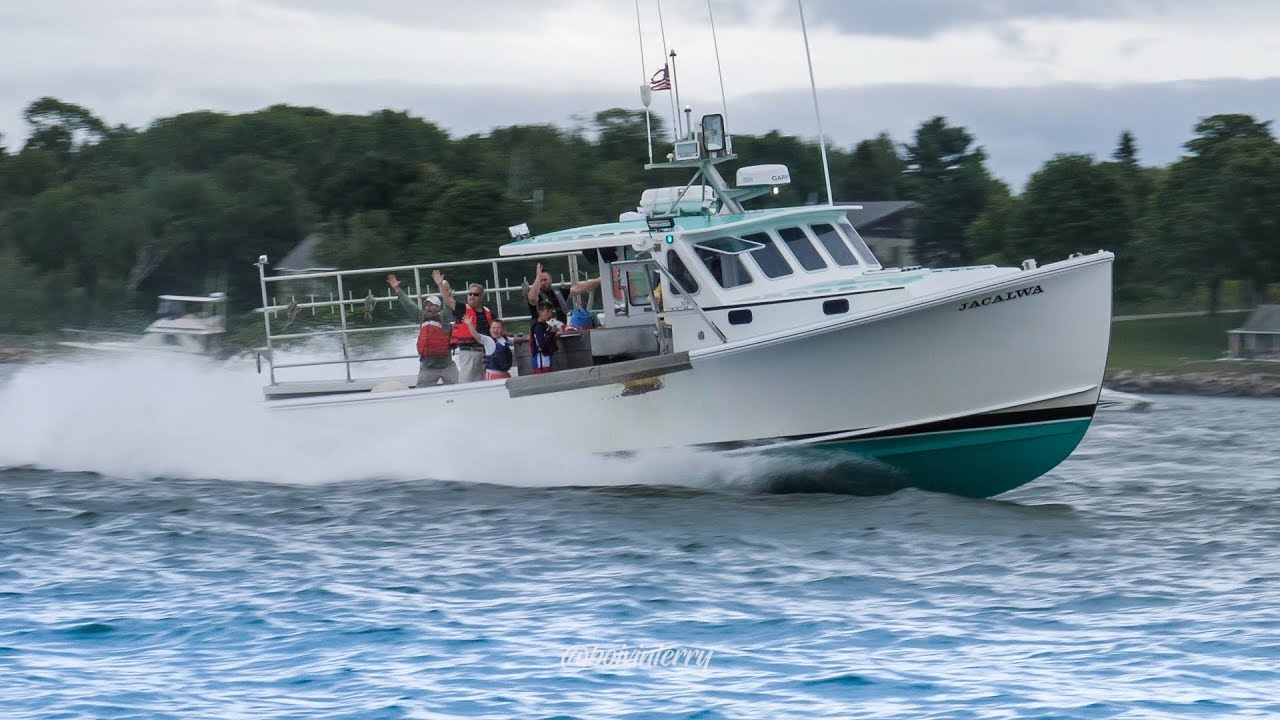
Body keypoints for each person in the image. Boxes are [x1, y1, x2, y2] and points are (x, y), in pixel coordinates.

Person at [387, 273, 457, 387]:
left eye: (432, 305)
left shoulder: (444, 317)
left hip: (447, 366)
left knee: (459, 389)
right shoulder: (422, 317)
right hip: (427, 367)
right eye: (427, 305)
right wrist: (397, 289)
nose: (428, 307)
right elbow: (409, 305)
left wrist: (442, 286)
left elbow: (448, 303)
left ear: (438, 308)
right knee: (421, 391)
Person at [437, 271, 493, 383]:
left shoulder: (488, 312)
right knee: (466, 383)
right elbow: (447, 300)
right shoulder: (462, 308)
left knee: (485, 384)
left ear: (482, 296)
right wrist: (440, 285)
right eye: (470, 294)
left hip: (486, 353)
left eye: (475, 294)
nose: (472, 296)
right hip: (469, 353)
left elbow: (497, 329)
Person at [462, 315, 515, 381]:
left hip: (506, 374)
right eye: (493, 327)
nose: (496, 329)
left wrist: (527, 338)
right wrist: (469, 324)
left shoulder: (505, 339)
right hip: (493, 375)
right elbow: (476, 335)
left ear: (502, 330)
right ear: (490, 330)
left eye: (498, 327)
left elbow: (515, 340)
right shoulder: (488, 340)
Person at [529, 300, 560, 374]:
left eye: (551, 312)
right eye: (547, 312)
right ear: (540, 312)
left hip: (546, 359)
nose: (550, 314)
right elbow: (542, 346)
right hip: (541, 361)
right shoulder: (538, 327)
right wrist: (552, 333)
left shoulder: (545, 325)